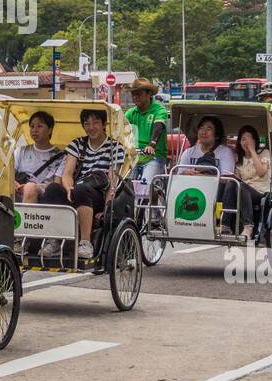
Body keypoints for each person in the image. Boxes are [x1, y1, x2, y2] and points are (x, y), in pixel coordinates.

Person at [40, 108, 126, 261]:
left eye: (95, 123)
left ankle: (85, 243)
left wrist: (107, 208)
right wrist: (68, 188)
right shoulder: (78, 143)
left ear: (104, 124)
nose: (91, 127)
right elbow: (67, 173)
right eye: (87, 124)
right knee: (53, 188)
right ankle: (52, 241)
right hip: (77, 189)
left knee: (81, 189)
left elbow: (113, 181)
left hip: (98, 194)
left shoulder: (116, 147)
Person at [14, 110, 66, 203]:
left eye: (39, 126)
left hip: (45, 196)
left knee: (30, 188)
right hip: (18, 193)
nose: (34, 130)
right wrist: (14, 184)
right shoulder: (21, 151)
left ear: (50, 130)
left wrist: (32, 187)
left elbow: (56, 185)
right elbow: (8, 174)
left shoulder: (61, 156)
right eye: (32, 126)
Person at [231, 124, 272, 241]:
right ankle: (225, 225)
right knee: (232, 183)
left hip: (261, 191)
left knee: (242, 186)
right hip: (243, 191)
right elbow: (237, 178)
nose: (246, 142)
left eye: (249, 139)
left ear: (255, 140)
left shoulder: (264, 153)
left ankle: (248, 227)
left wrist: (252, 150)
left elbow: (261, 172)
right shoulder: (239, 158)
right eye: (243, 139)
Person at [125, 78, 169, 184]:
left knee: (146, 185)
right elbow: (122, 128)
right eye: (133, 94)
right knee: (123, 185)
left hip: (154, 155)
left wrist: (152, 145)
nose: (135, 97)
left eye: (139, 94)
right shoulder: (130, 113)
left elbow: (158, 126)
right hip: (134, 156)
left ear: (149, 94)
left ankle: (148, 200)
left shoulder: (159, 110)